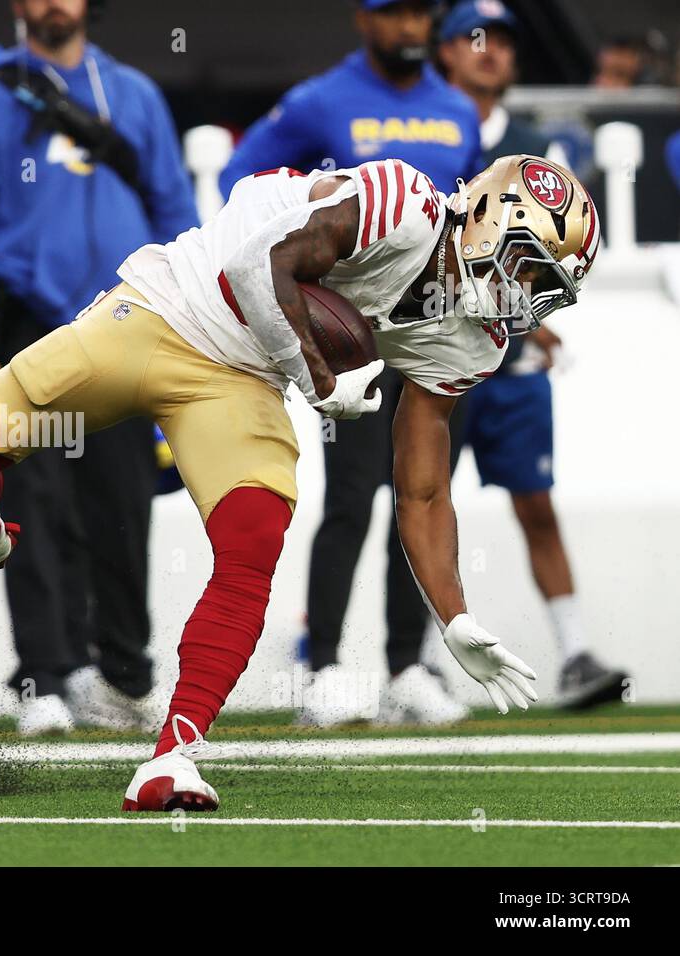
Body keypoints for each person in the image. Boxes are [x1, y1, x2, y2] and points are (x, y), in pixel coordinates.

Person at [0, 150, 599, 810]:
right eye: (527, 264)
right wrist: (316, 377)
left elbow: (425, 487)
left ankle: (173, 754)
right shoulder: (401, 202)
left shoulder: (473, 333)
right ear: (486, 217)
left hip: (242, 381)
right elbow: (256, 268)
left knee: (252, 545)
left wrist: (455, 613)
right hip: (166, 310)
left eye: (545, 285)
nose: (524, 292)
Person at [0, 0, 199, 734]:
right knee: (33, 509)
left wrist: (193, 330)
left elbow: (178, 219)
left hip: (130, 326)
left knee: (121, 504)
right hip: (28, 328)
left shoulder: (135, 94)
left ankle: (124, 676)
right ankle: (45, 676)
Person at [219, 0, 486, 727]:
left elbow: (471, 218)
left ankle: (408, 666)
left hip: (434, 332)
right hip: (352, 336)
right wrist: (299, 288)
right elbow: (240, 183)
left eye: (418, 14)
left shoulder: (457, 109)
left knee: (425, 492)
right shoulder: (317, 101)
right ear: (362, 21)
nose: (409, 27)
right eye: (392, 13)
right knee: (347, 501)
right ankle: (327, 666)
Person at [438, 0, 628, 707]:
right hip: (436, 347)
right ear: (448, 52)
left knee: (536, 503)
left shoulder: (530, 142)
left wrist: (535, 317)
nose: (491, 52)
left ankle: (575, 651)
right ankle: (414, 661)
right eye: (474, 38)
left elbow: (552, 248)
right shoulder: (429, 125)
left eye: (503, 42)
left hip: (511, 355)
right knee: (418, 499)